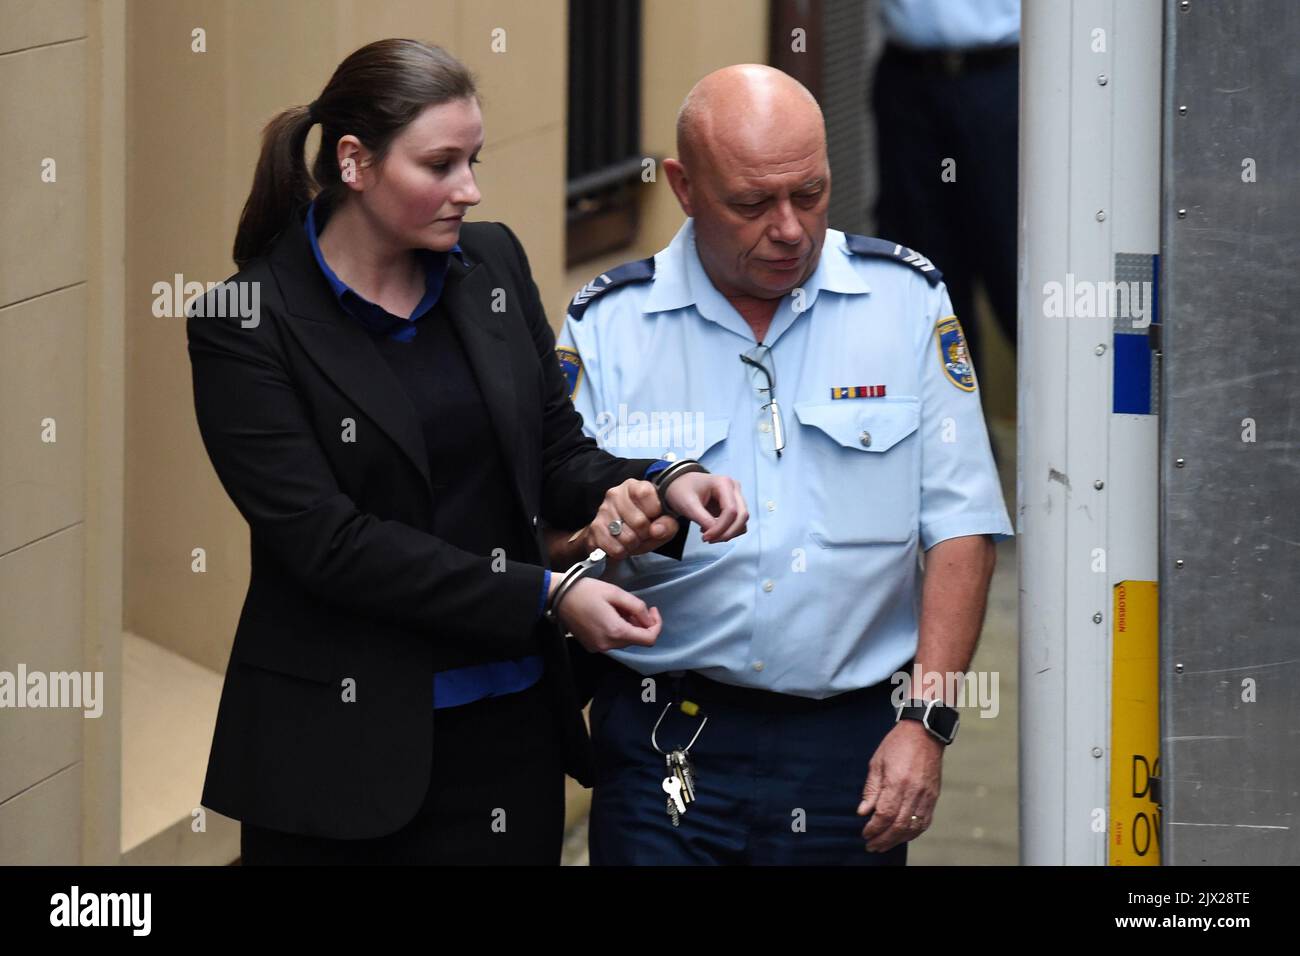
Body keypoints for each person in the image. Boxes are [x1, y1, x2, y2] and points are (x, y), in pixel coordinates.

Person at [186, 39, 746, 865]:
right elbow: (329, 545)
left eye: (473, 160)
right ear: (354, 161)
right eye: (440, 164)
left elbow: (556, 454)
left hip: (509, 737)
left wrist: (665, 481)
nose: (469, 189)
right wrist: (546, 597)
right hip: (334, 758)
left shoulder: (491, 262)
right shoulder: (244, 322)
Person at [551, 64, 1012, 865]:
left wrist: (928, 724)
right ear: (684, 187)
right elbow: (547, 536)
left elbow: (963, 526)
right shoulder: (610, 323)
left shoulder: (905, 300)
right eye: (753, 204)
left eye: (810, 192)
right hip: (666, 739)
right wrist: (594, 542)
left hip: (853, 751)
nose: (792, 228)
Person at [871, 0, 1020, 395]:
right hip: (910, 79)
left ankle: (1067, 437)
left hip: (998, 79)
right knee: (925, 271)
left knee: (1015, 262)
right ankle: (957, 440)